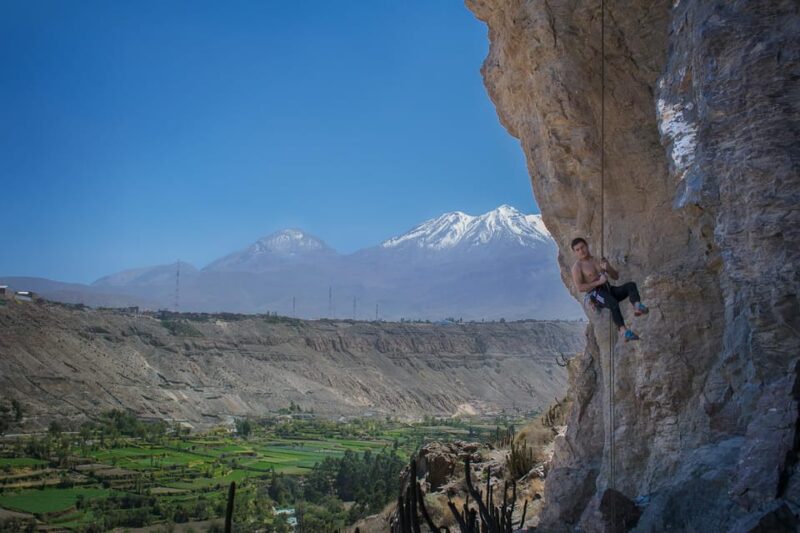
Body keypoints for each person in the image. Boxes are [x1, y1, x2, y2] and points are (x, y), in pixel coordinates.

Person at [570, 237, 648, 342]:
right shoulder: (577, 267)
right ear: (574, 252)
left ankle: (637, 306)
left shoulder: (598, 259)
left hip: (608, 289)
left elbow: (615, 276)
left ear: (587, 246)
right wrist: (598, 282)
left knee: (631, 285)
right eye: (577, 250)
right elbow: (580, 287)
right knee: (613, 303)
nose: (581, 251)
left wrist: (608, 268)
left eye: (582, 247)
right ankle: (624, 331)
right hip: (595, 294)